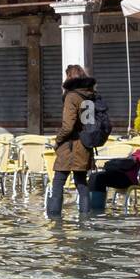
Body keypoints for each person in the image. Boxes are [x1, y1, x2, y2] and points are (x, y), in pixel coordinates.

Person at [48, 65, 97, 218]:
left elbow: (68, 126)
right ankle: (85, 217)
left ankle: (54, 220)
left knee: (58, 182)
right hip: (85, 144)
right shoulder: (90, 95)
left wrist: (57, 140)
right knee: (81, 182)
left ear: (69, 77)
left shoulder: (72, 96)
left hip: (70, 146)